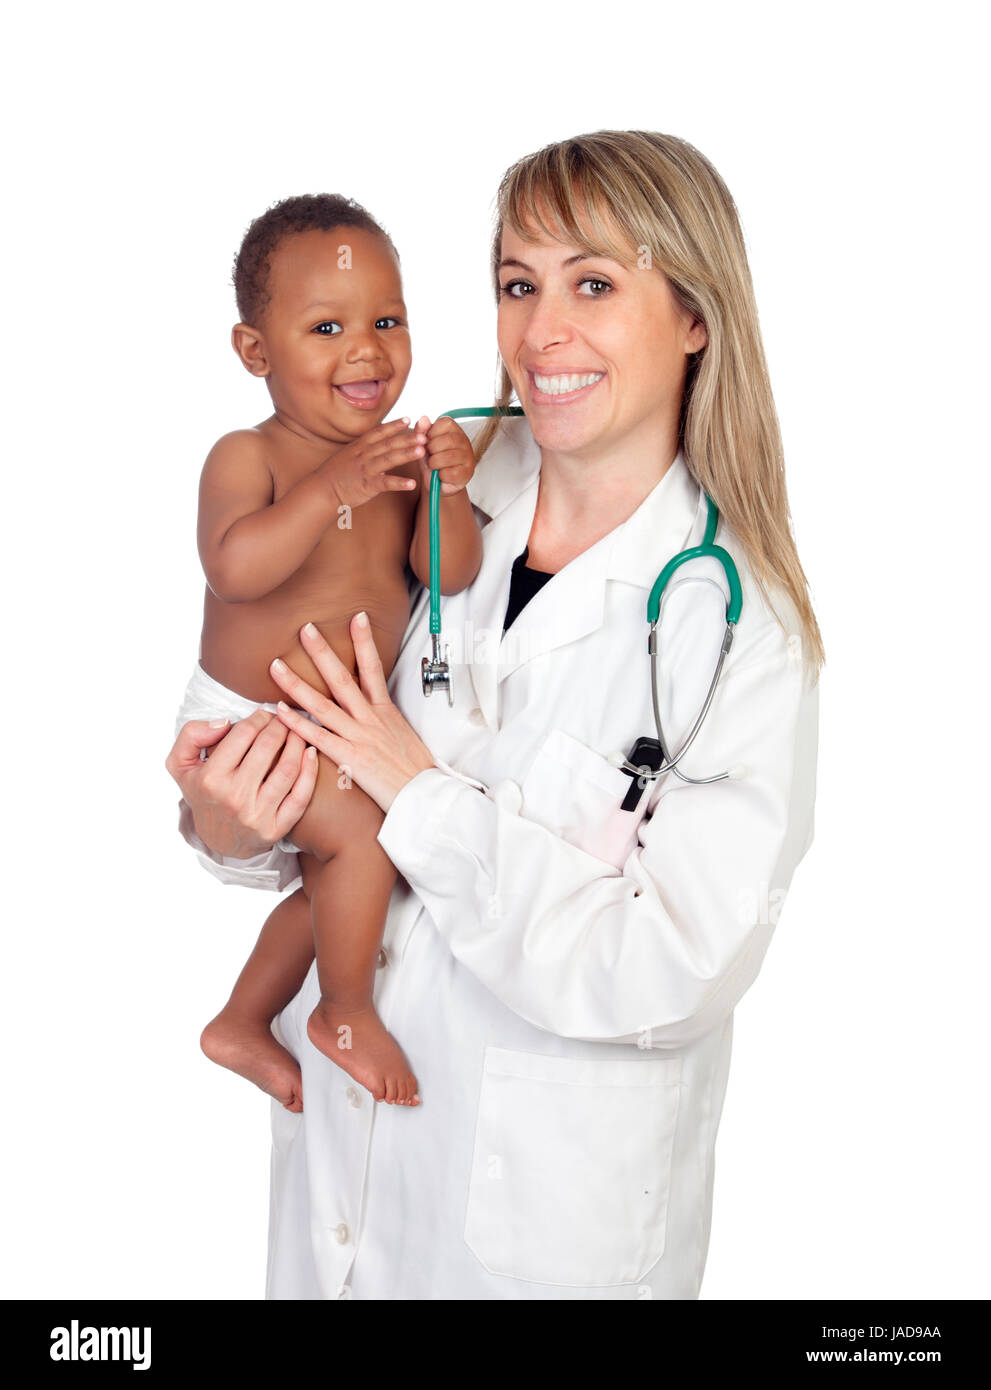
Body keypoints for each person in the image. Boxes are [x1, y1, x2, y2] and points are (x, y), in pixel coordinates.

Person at [167, 130, 823, 1300]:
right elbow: (294, 784)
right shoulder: (430, 482)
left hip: (537, 1241)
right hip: (334, 1201)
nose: (540, 331)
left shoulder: (735, 629)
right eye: (518, 284)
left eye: (593, 282)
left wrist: (417, 794)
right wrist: (224, 824)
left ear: (694, 316)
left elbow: (666, 971)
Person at [175, 193, 481, 1111]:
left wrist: (447, 493)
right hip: (246, 721)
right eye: (326, 327)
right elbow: (234, 567)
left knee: (340, 878)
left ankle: (243, 1020)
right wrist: (327, 490)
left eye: (387, 320)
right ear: (255, 352)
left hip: (330, 732)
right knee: (360, 842)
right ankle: (342, 1011)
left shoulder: (396, 463)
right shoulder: (250, 455)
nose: (366, 349)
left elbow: (449, 574)